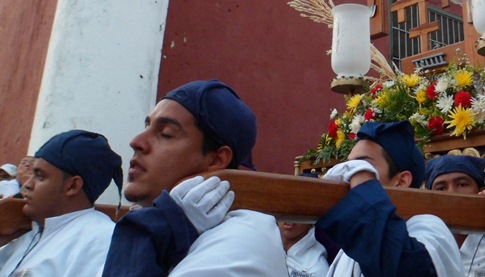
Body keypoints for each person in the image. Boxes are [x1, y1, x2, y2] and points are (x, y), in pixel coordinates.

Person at [101, 78, 286, 276]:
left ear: (216, 160)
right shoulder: (160, 221)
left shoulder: (245, 240)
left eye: (166, 133)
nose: (136, 141)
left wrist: (153, 230)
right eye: (147, 127)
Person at [316, 120, 462, 277]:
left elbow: (405, 268)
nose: (349, 175)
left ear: (401, 181)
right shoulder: (351, 250)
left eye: (362, 165)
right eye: (349, 166)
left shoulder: (431, 229)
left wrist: (363, 179)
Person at [0, 130, 123, 276]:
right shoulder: (26, 233)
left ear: (72, 186)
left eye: (40, 176)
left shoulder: (101, 240)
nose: (27, 184)